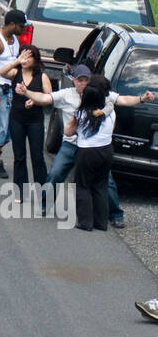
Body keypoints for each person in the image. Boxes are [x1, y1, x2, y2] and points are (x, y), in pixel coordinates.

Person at [17, 65, 151, 227]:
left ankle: (115, 214)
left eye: (86, 80)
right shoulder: (66, 95)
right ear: (74, 81)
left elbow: (123, 100)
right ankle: (45, 204)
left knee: (106, 182)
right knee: (56, 172)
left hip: (93, 147)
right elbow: (45, 99)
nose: (83, 83)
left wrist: (142, 99)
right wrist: (27, 92)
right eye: (80, 80)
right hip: (71, 145)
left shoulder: (101, 94)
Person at [0, 45, 52, 203]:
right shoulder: (16, 72)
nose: (25, 60)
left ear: (35, 59)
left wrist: (34, 101)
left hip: (35, 121)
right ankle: (20, 191)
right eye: (23, 56)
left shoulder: (42, 77)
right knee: (19, 156)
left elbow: (49, 98)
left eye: (28, 57)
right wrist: (16, 61)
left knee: (37, 157)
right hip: (17, 119)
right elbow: (1, 72)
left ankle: (42, 193)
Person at [65, 76, 115, 231]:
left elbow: (68, 132)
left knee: (83, 186)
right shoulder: (111, 113)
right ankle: (101, 223)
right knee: (101, 185)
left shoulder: (80, 114)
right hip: (106, 150)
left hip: (86, 152)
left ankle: (85, 222)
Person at [0, 10, 27, 177]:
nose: (23, 29)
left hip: (10, 89)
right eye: (21, 26)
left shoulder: (14, 39)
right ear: (12, 24)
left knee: (11, 128)